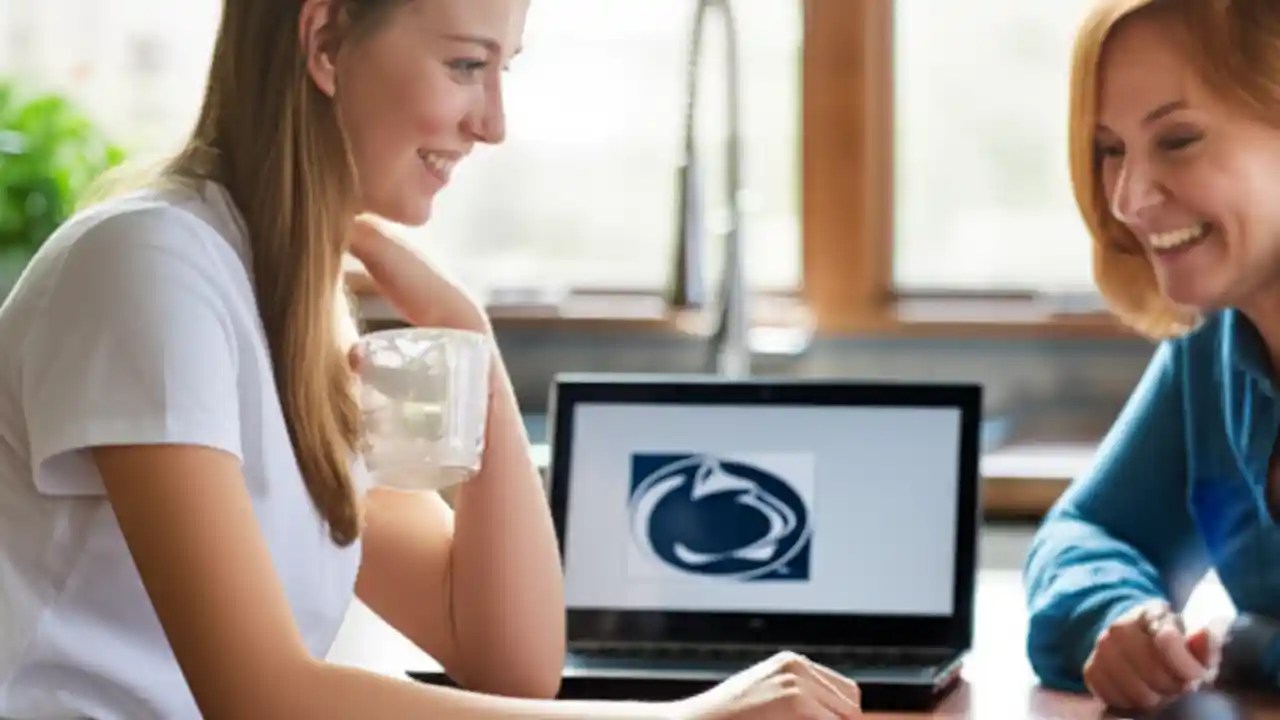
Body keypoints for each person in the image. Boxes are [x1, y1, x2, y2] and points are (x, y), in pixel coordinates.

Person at [0, 0, 863, 718]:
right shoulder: (149, 266)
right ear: (327, 42)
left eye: (502, 70)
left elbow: (505, 657)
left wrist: (471, 345)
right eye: (465, 67)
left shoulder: (298, 313)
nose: (492, 124)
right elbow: (260, 697)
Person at [1025, 0, 1280, 712]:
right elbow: (1086, 535)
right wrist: (1118, 620)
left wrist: (1252, 641)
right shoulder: (1211, 348)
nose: (1128, 199)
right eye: (1111, 149)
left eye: (1179, 139)